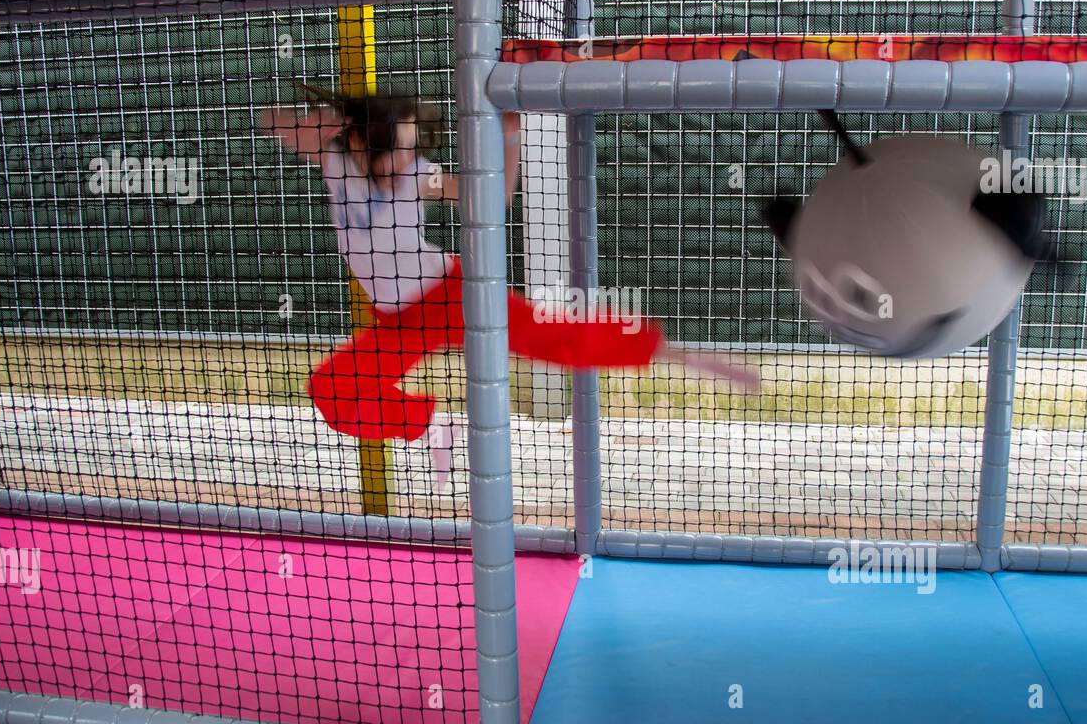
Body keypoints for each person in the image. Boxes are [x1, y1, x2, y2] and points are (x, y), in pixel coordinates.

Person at [259, 86, 758, 483]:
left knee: (550, 337)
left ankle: (672, 353)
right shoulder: (335, 161)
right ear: (361, 141)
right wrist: (335, 120)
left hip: (450, 294)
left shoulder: (421, 176)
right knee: (332, 390)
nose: (403, 161)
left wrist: (511, 137)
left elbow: (492, 199)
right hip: (397, 319)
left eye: (412, 149)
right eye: (395, 150)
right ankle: (433, 424)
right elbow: (272, 120)